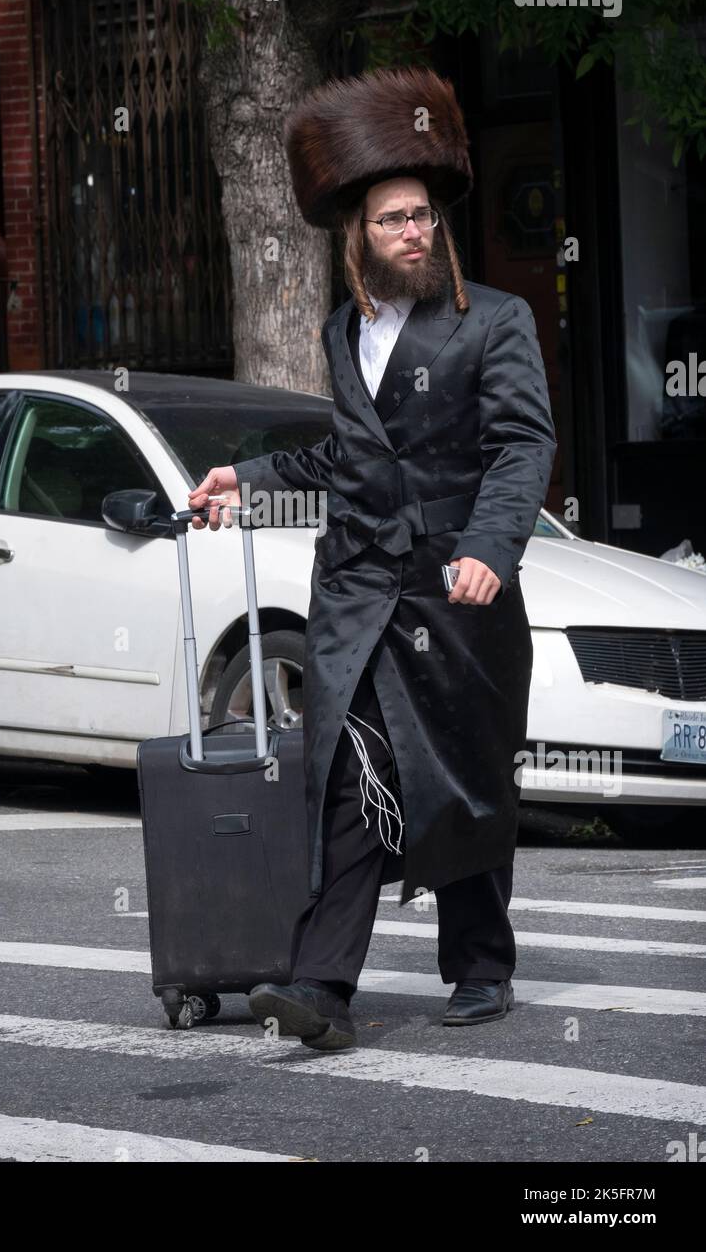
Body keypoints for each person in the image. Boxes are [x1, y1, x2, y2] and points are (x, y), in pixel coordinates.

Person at [188, 66, 557, 1051]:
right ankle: (321, 986)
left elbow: (521, 446)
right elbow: (341, 458)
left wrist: (489, 544)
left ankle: (479, 964)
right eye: (392, 218)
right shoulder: (343, 329)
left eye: (422, 216)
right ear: (357, 233)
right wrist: (250, 481)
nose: (412, 232)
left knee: (457, 777)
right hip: (356, 592)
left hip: (451, 593)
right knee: (348, 773)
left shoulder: (494, 323)